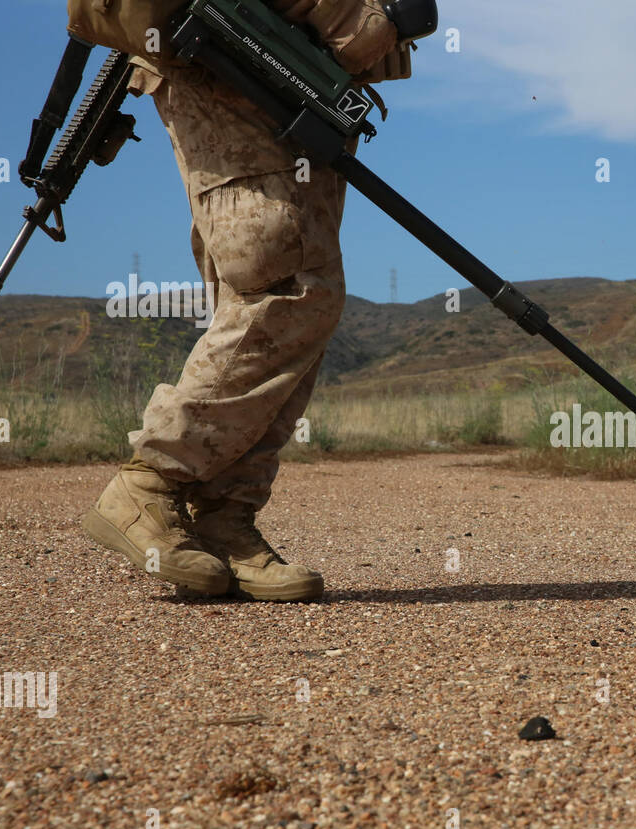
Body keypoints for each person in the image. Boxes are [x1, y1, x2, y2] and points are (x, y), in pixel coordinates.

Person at [81, 0, 432, 602]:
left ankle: (223, 517)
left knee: (291, 292)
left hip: (277, 67)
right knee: (287, 286)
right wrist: (371, 22)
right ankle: (152, 483)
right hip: (232, 52)